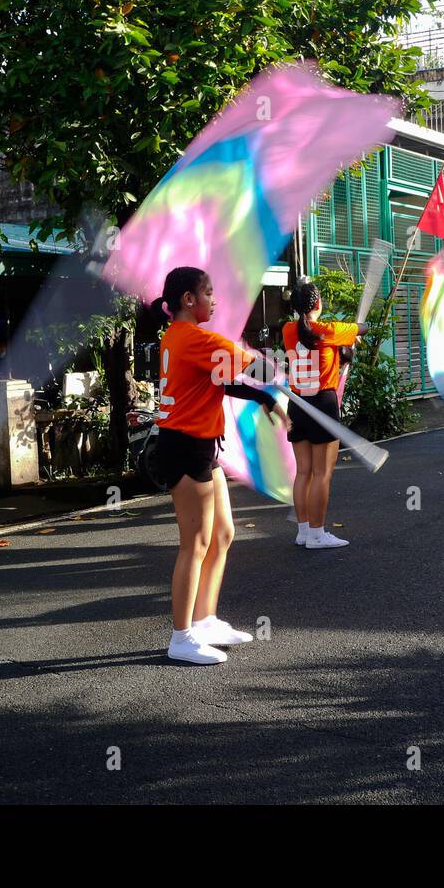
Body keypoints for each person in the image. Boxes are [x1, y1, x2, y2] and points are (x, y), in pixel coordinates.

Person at [152, 267, 290, 665]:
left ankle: (205, 618)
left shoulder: (181, 338)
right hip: (184, 445)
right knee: (193, 542)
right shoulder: (193, 337)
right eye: (208, 293)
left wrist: (265, 399)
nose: (215, 300)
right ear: (187, 300)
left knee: (223, 533)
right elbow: (255, 367)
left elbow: (223, 381)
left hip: (202, 444)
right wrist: (278, 381)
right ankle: (181, 637)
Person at [281, 280, 367, 549]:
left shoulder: (286, 330)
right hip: (322, 404)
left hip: (297, 404)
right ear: (318, 304)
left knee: (303, 472)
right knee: (322, 474)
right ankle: (318, 534)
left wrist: (345, 342)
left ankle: (304, 531)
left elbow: (324, 344)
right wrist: (354, 332)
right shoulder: (329, 330)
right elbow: (361, 328)